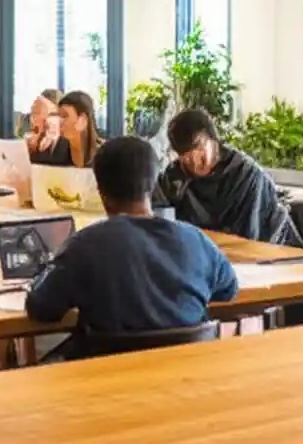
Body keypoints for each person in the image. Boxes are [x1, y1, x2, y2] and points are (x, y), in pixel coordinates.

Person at [25, 137, 238, 352]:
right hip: (187, 377)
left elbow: (40, 307)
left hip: (104, 379)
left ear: (100, 189)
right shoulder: (196, 241)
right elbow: (228, 290)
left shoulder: (85, 246)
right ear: (153, 185)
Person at [156, 108, 296, 244]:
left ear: (214, 140)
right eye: (184, 154)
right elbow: (155, 217)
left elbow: (250, 240)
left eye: (199, 147)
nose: (193, 159)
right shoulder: (174, 178)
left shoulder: (248, 176)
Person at [34, 90, 102, 168]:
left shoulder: (105, 156)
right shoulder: (56, 149)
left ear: (82, 120)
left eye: (65, 116)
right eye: (58, 116)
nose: (59, 121)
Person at [25, 95, 62, 162]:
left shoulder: (60, 141)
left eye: (37, 112)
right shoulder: (30, 140)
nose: (33, 118)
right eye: (32, 112)